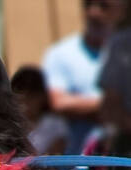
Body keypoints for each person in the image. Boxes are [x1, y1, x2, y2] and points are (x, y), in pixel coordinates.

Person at [42, 0, 125, 153]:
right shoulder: (61, 53)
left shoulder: (124, 52)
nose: (93, 12)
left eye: (103, 6)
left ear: (120, 9)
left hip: (120, 162)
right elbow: (59, 102)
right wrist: (110, 106)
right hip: (77, 164)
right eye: (88, 5)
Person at [13, 66, 70, 155]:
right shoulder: (9, 125)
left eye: (31, 97)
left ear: (42, 97)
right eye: (20, 97)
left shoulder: (55, 124)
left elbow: (55, 154)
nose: (25, 102)